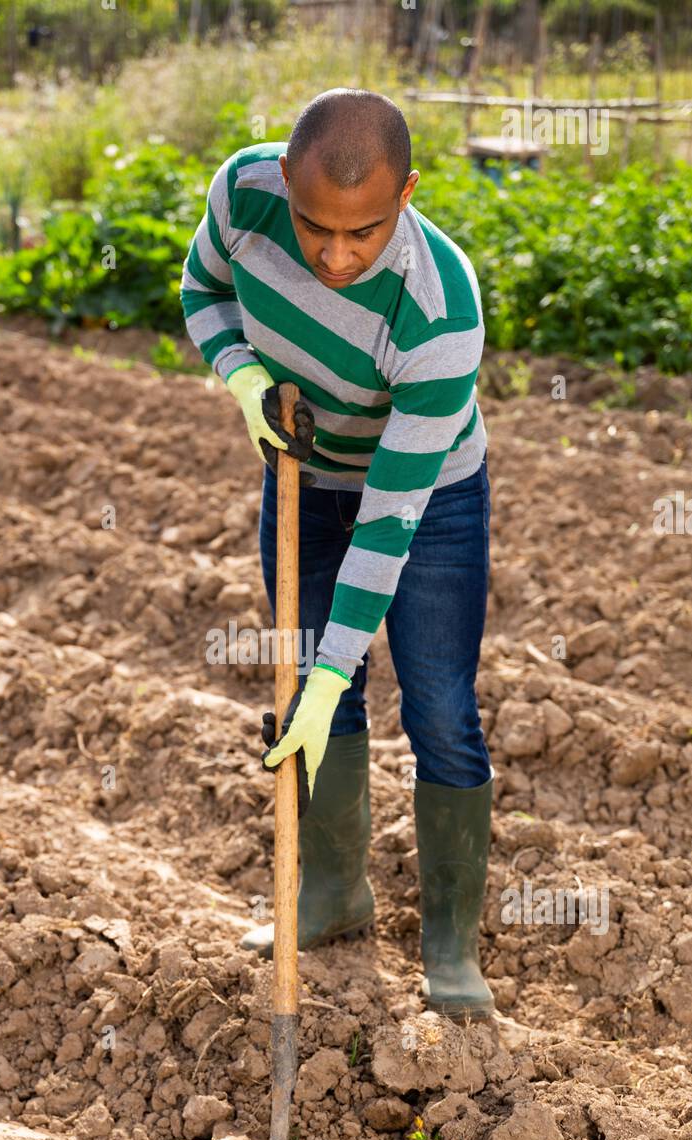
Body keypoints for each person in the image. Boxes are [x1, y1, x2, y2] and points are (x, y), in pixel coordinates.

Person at [179, 88, 495, 1020]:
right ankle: (331, 894)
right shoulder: (243, 196)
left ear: (407, 194)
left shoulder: (439, 312)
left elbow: (387, 527)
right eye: (316, 228)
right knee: (322, 697)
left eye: (363, 233)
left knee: (438, 705)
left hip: (425, 499)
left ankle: (449, 943)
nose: (335, 255)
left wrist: (325, 673)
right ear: (285, 182)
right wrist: (244, 380)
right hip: (303, 478)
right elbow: (202, 293)